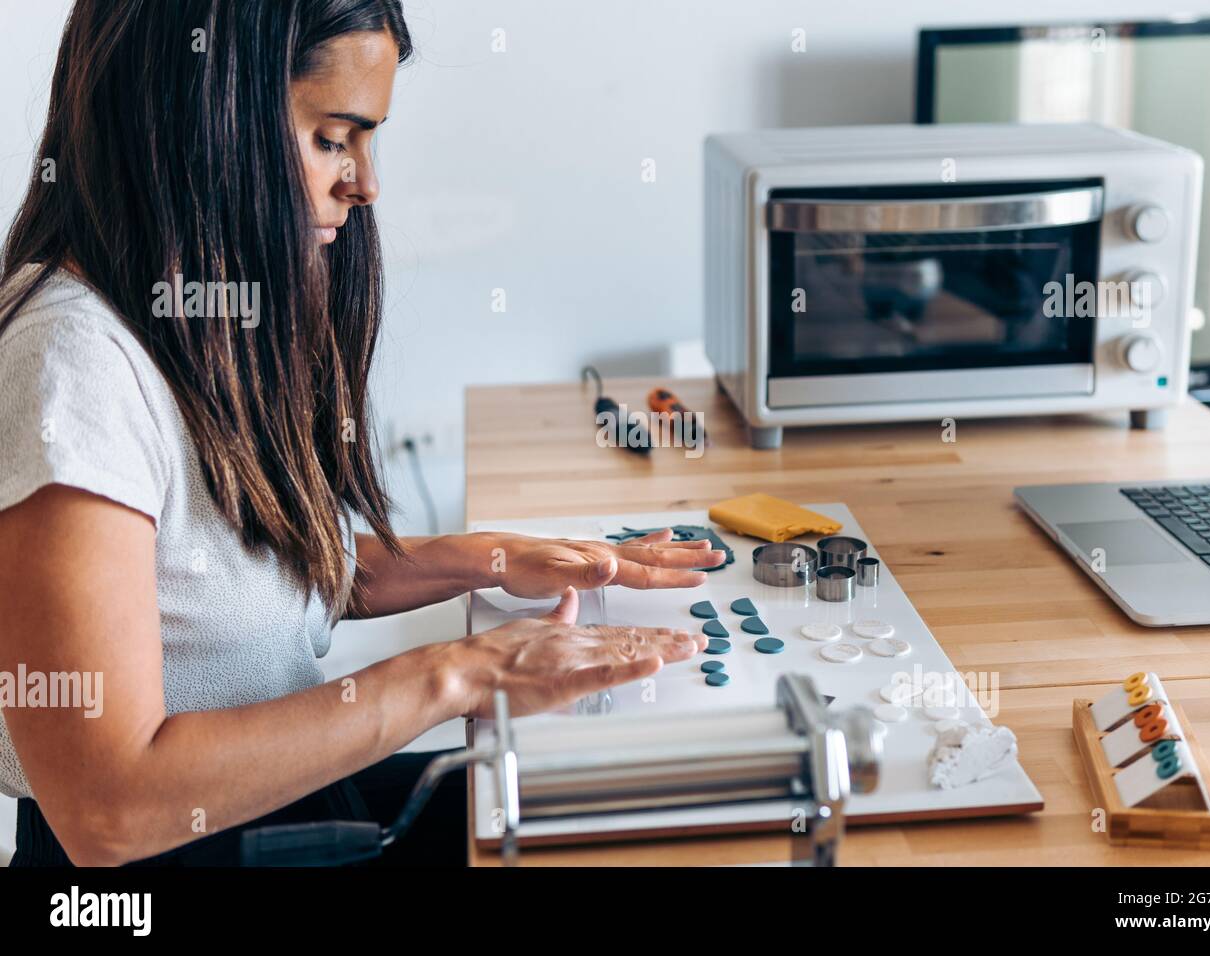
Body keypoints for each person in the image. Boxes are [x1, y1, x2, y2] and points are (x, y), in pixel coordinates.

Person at [0, 0, 719, 867]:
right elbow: (107, 807)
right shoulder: (70, 370)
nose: (365, 183)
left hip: (284, 809)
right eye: (332, 138)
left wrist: (484, 557)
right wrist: (462, 672)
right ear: (202, 124)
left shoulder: (192, 315)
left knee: (631, 806)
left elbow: (234, 585)